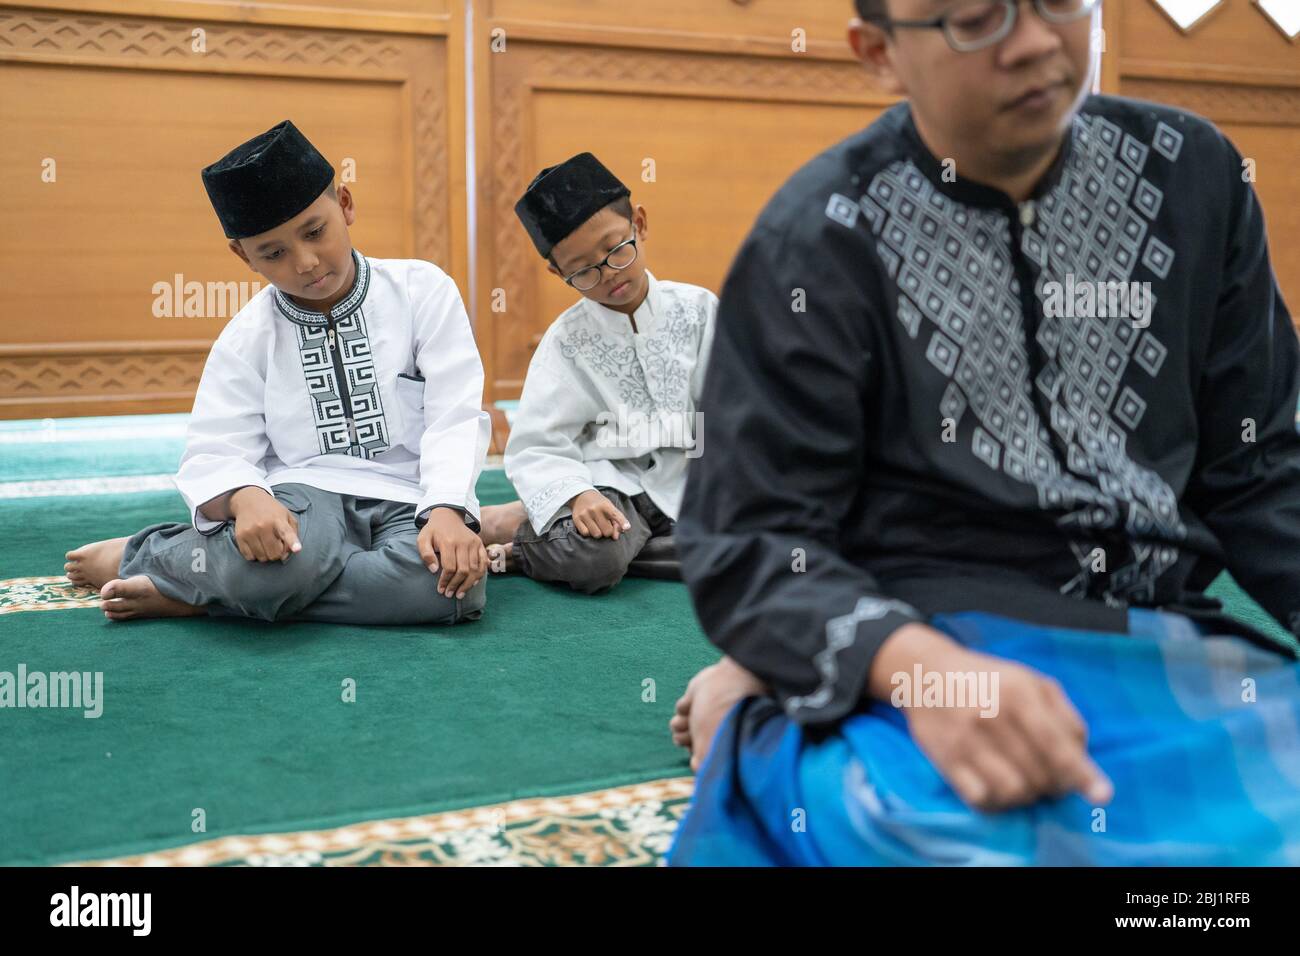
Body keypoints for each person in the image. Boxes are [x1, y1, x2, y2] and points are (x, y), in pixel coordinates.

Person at [668, 0, 1300, 865]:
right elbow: (748, 539)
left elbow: (1260, 467)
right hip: (931, 643)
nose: (1037, 42)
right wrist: (915, 667)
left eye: (1058, 2)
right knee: (951, 840)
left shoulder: (1195, 175)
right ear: (880, 52)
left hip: (1150, 637)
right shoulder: (816, 239)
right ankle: (759, 710)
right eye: (975, 18)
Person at [65, 120, 491, 625]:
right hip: (303, 497)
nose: (306, 262)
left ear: (346, 205)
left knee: (447, 591)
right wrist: (247, 498)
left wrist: (445, 508)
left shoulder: (423, 291)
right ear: (242, 256)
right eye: (273, 252)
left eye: (315, 232)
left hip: (410, 495)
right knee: (281, 567)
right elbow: (216, 448)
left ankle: (194, 587)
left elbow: (455, 415)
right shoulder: (247, 336)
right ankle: (192, 565)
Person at [478, 153, 717, 594]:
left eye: (615, 250)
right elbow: (536, 447)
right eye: (585, 270)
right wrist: (575, 494)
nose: (609, 275)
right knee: (596, 558)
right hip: (609, 489)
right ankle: (533, 543)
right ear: (558, 272)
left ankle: (522, 527)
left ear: (639, 224)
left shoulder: (699, 312)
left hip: (693, 483)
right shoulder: (565, 343)